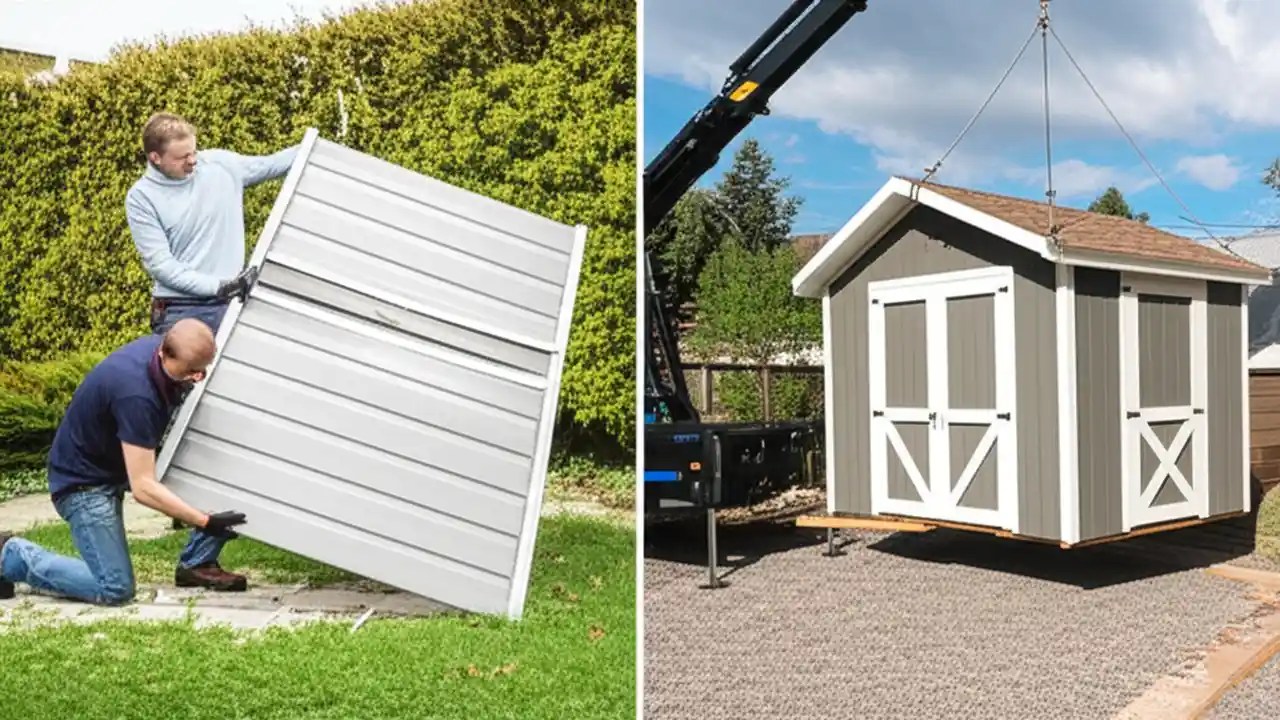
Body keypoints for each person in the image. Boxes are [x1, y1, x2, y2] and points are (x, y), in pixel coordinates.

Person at [0, 319, 250, 604]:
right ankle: (10, 554)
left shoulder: (162, 353)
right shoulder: (136, 395)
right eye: (192, 371)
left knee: (215, 471)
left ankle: (197, 563)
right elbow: (143, 487)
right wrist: (204, 521)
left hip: (111, 465)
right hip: (83, 485)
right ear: (165, 354)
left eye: (203, 369)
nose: (199, 378)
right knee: (114, 588)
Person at [126, 111, 300, 335]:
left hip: (231, 300)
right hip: (181, 310)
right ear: (155, 158)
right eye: (181, 158)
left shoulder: (220, 165)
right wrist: (220, 287)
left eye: (193, 152)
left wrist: (318, 147)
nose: (192, 161)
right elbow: (162, 266)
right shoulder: (142, 197)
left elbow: (271, 164)